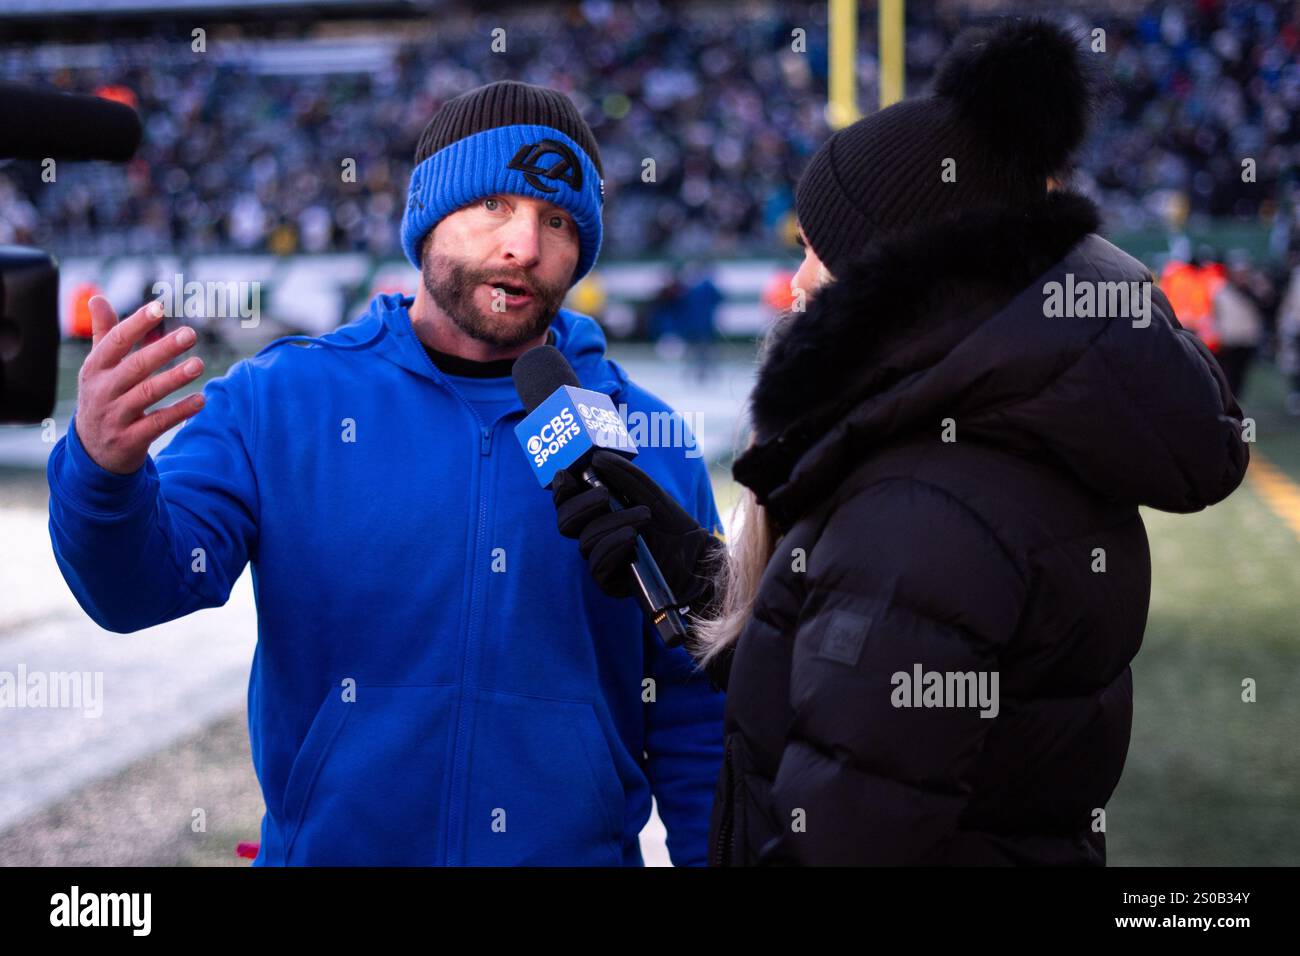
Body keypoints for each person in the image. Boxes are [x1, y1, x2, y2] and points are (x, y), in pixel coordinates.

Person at [556, 20, 1250, 865]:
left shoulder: (926, 506)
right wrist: (699, 577)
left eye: (818, 251)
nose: (801, 280)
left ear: (896, 279)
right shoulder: (981, 439)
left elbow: (849, 821)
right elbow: (839, 701)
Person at [46, 80, 725, 866]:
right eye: (494, 206)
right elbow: (134, 592)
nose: (526, 247)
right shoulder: (283, 400)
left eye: (559, 221)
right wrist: (101, 474)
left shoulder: (650, 440)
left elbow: (693, 714)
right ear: (428, 217)